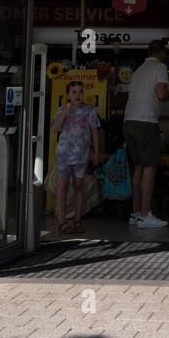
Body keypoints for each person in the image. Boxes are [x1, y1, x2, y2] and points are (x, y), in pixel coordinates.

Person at [123, 39, 169, 228]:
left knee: (138, 167)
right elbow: (161, 94)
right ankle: (146, 214)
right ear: (160, 53)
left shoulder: (138, 71)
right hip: (146, 122)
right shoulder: (159, 67)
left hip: (129, 121)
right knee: (150, 167)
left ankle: (135, 214)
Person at [53, 80, 102, 234]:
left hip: (81, 155)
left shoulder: (90, 111)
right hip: (64, 155)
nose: (78, 95)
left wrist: (96, 152)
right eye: (74, 92)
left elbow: (95, 131)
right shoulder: (62, 110)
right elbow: (54, 129)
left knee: (78, 187)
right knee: (63, 187)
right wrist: (64, 114)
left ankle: (77, 219)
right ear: (68, 95)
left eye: (80, 91)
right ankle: (62, 221)